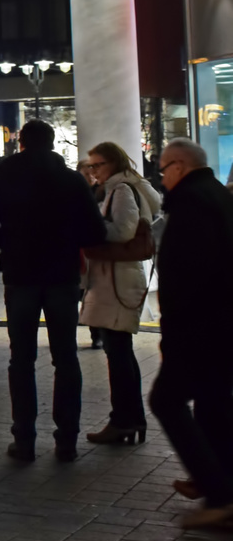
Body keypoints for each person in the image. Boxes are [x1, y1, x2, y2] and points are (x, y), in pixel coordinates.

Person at [0, 119, 106, 462]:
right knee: (66, 358)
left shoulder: (3, 179)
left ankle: (24, 440)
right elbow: (94, 232)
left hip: (20, 275)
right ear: (52, 144)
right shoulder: (71, 181)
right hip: (62, 275)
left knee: (21, 359)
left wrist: (11, 240)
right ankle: (67, 440)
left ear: (21, 143)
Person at [149, 138, 233, 529]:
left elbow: (187, 276)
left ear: (179, 166)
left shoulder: (190, 204)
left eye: (164, 170)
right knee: (214, 404)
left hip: (198, 328)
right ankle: (219, 482)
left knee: (167, 401)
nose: (162, 178)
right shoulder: (217, 195)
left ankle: (219, 494)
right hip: (221, 324)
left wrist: (172, 333)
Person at [80, 141, 160, 447]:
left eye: (97, 165)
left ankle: (124, 420)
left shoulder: (122, 190)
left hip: (116, 278)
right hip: (119, 277)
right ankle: (130, 419)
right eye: (91, 166)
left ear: (113, 163)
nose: (93, 171)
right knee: (120, 351)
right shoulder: (126, 187)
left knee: (118, 353)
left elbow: (125, 230)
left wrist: (93, 227)